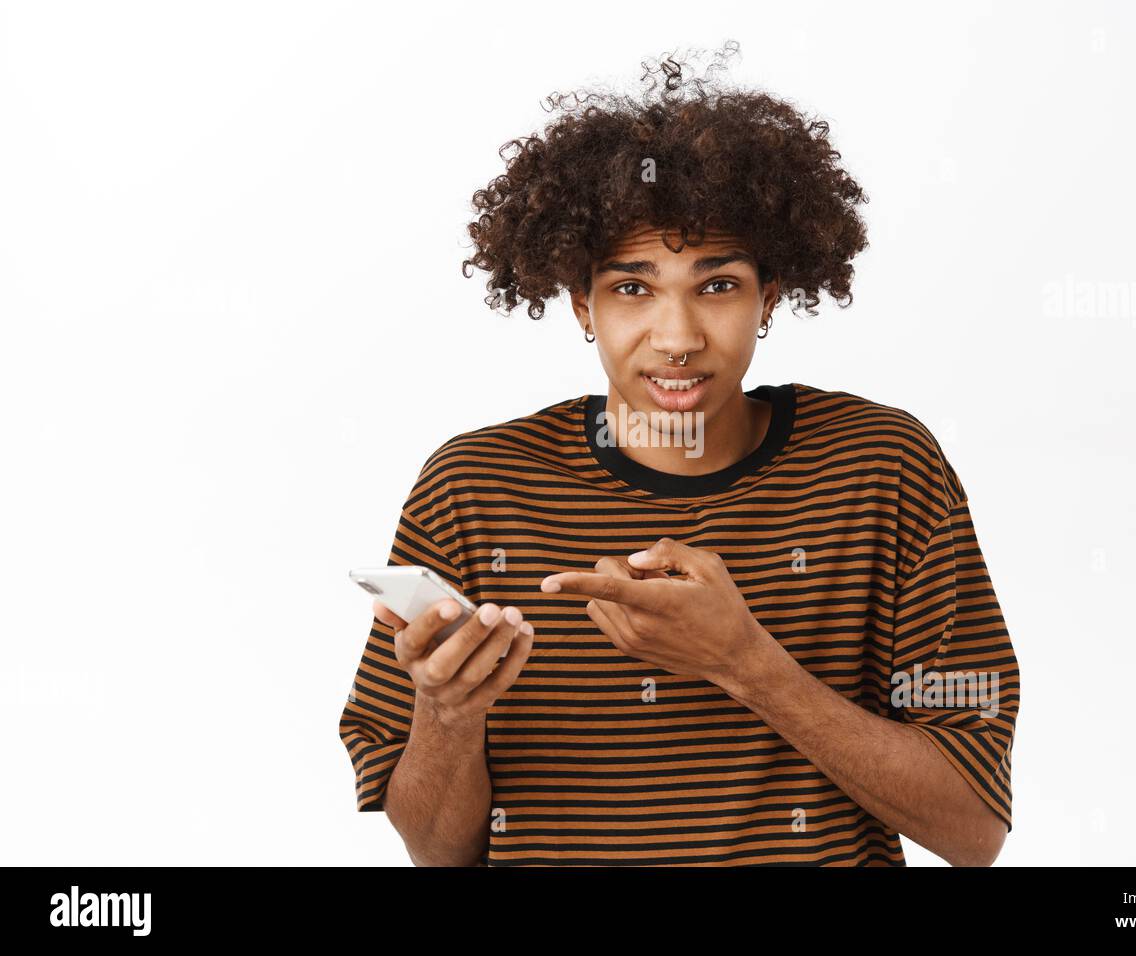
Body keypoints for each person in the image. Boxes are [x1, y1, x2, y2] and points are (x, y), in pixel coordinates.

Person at [338, 43, 1018, 866]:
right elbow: (437, 852)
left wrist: (745, 662)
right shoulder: (474, 488)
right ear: (581, 304)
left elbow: (973, 829)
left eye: (717, 285)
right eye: (633, 289)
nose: (678, 337)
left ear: (770, 297)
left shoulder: (883, 467)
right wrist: (450, 716)